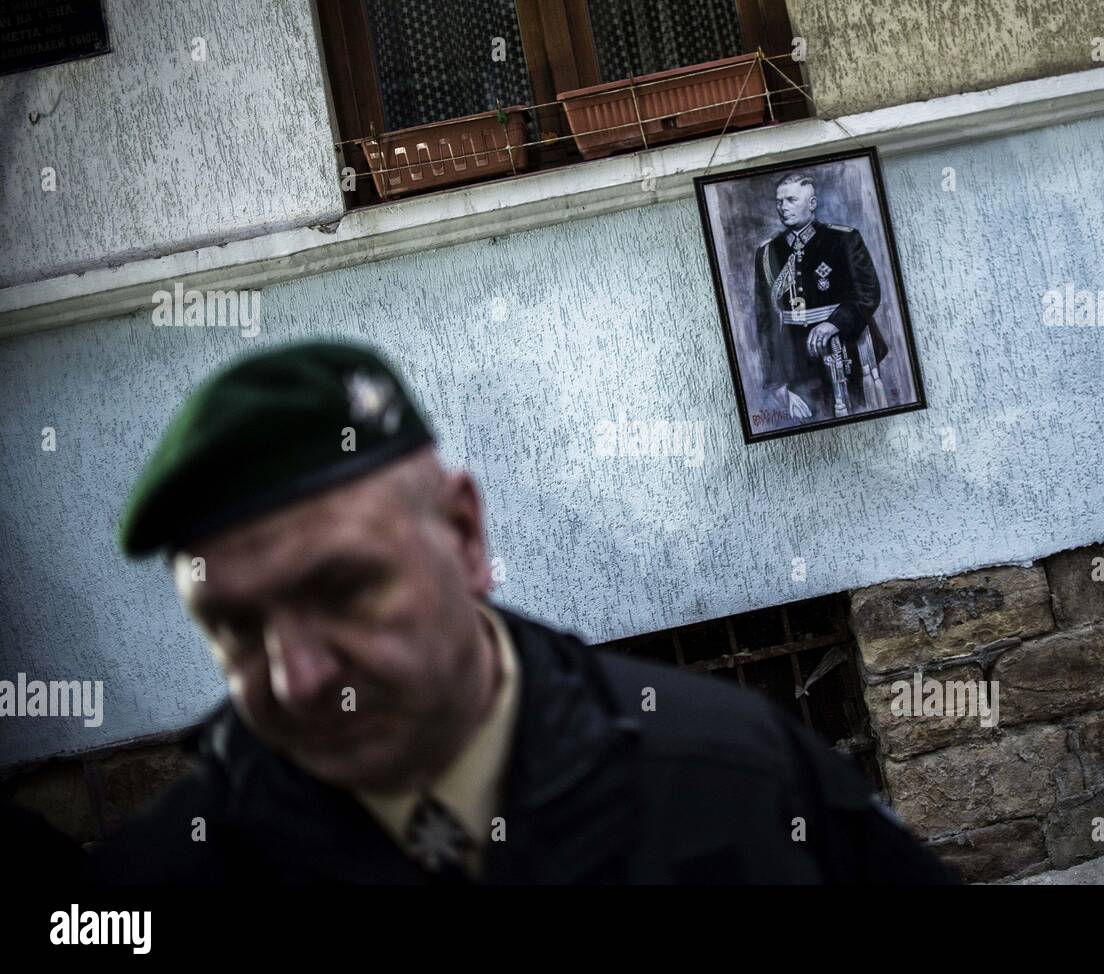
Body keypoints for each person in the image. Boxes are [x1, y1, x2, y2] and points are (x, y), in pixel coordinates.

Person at [90, 340, 955, 884]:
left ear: (465, 536)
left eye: (344, 591)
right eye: (234, 627)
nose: (300, 677)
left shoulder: (735, 775)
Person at [753, 171, 890, 423]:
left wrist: (834, 323)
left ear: (812, 204)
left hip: (846, 348)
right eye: (779, 202)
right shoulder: (767, 252)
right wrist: (777, 384)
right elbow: (765, 321)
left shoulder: (843, 239)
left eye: (791, 200)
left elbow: (868, 293)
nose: (783, 208)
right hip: (796, 362)